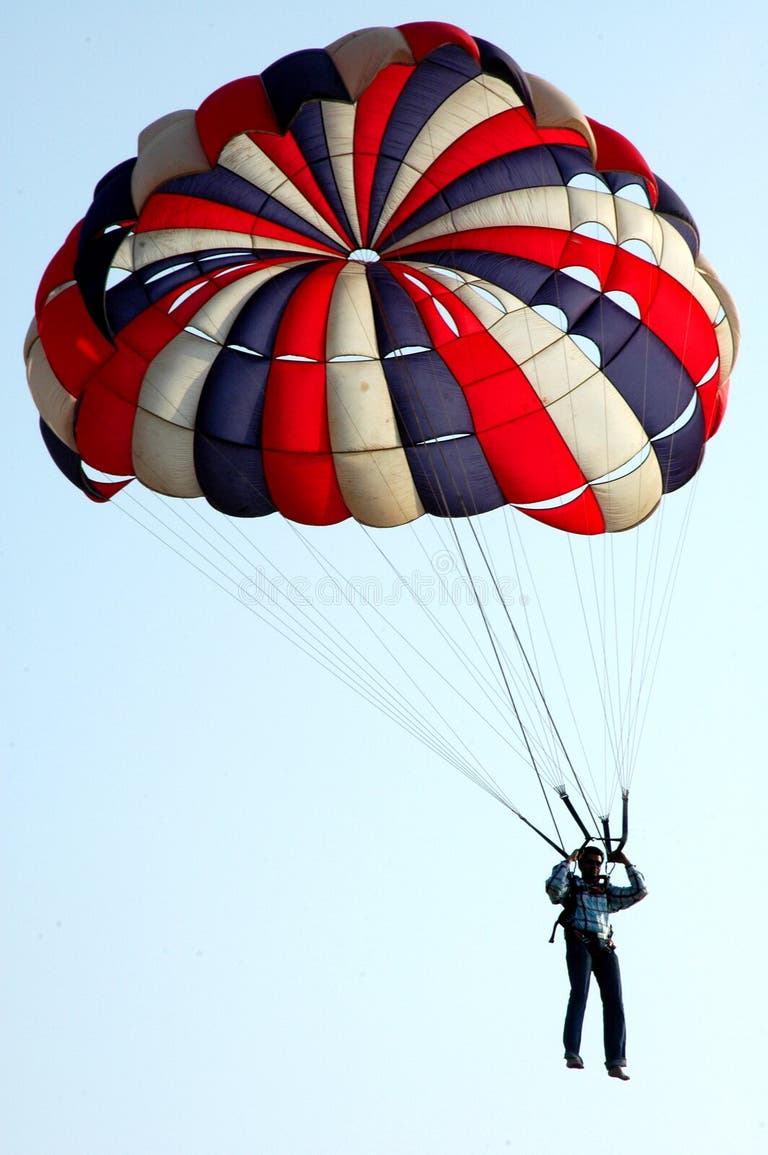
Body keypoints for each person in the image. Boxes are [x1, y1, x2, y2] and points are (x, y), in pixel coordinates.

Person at [546, 845, 647, 1080]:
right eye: (589, 862)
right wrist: (568, 861)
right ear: (582, 865)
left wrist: (626, 863)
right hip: (580, 942)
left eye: (598, 863)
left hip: (604, 947)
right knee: (579, 994)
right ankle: (572, 1051)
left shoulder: (606, 892)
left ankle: (615, 1061)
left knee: (614, 1002)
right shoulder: (572, 887)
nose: (594, 866)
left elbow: (639, 892)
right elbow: (553, 889)